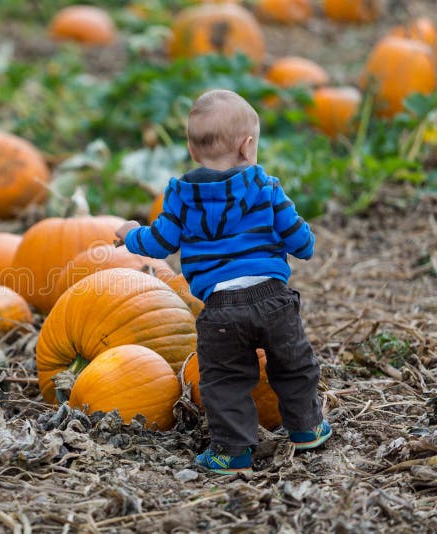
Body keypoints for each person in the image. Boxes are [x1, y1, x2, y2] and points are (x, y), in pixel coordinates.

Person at [115, 89, 331, 475]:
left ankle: (232, 452)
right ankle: (307, 427)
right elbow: (302, 244)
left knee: (225, 381)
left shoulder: (181, 196)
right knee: (294, 365)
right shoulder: (266, 189)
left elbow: (159, 243)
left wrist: (130, 233)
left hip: (220, 310)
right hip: (273, 299)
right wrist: (302, 239)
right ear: (248, 148)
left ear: (193, 150)